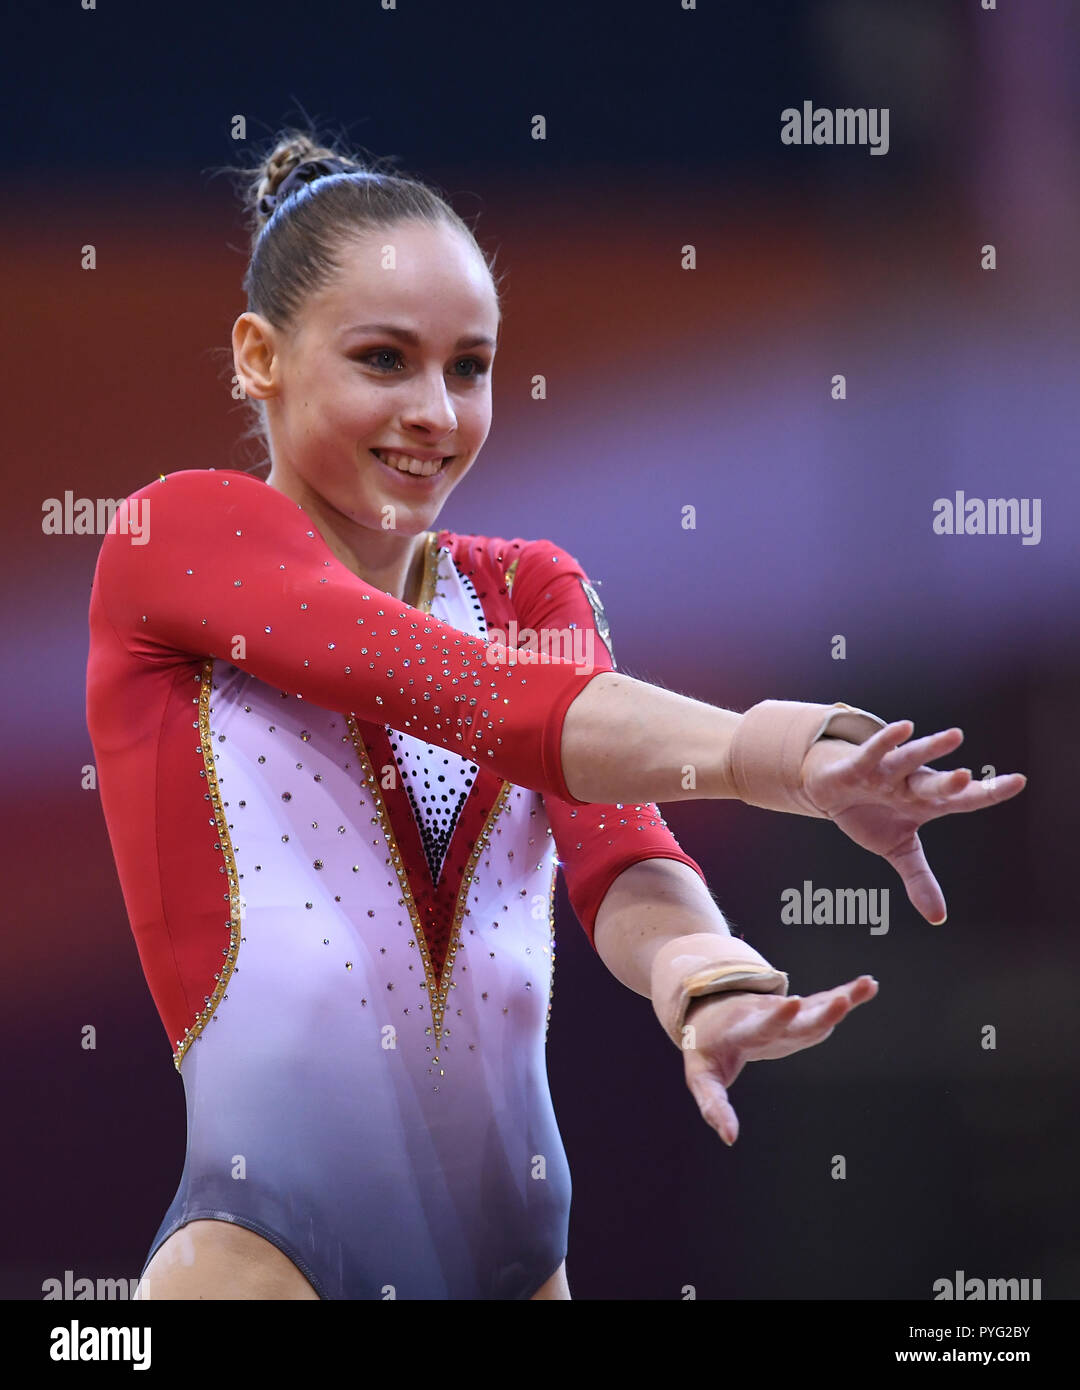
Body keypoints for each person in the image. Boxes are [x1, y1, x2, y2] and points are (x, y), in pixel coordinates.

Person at [86, 131, 1026, 1301]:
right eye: (384, 359)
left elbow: (617, 842)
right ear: (259, 355)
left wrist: (705, 975)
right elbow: (485, 701)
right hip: (264, 1260)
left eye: (468, 367)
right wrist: (777, 752)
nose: (434, 411)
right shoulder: (173, 541)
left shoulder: (530, 587)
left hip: (520, 1266)